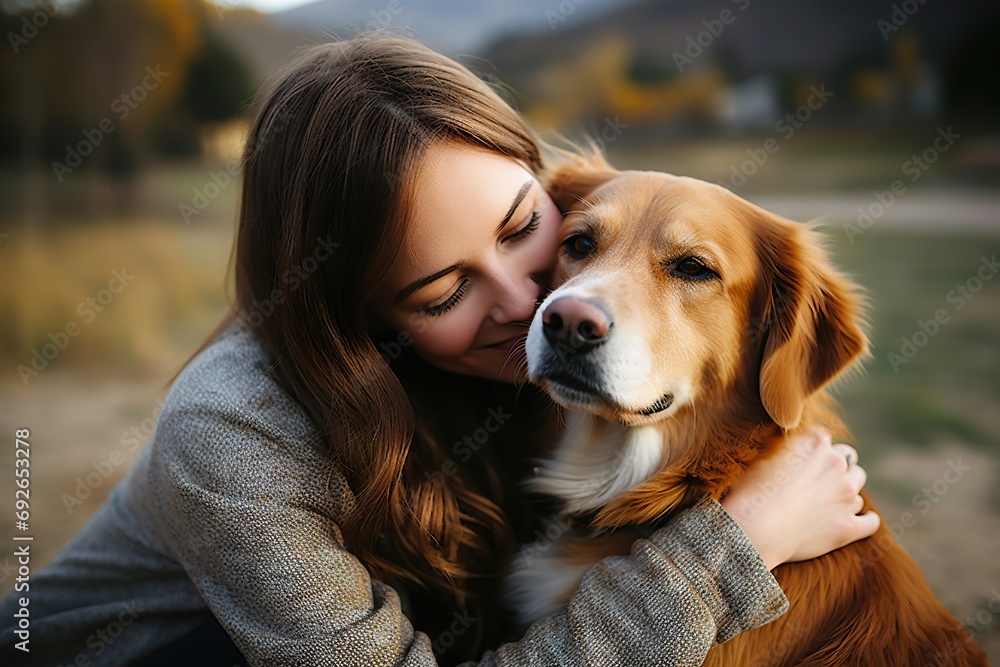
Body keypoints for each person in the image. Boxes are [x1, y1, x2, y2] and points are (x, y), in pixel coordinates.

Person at [0, 33, 879, 666]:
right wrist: (736, 547)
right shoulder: (234, 438)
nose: (541, 305)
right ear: (362, 318)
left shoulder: (550, 360)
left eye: (529, 228)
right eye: (442, 291)